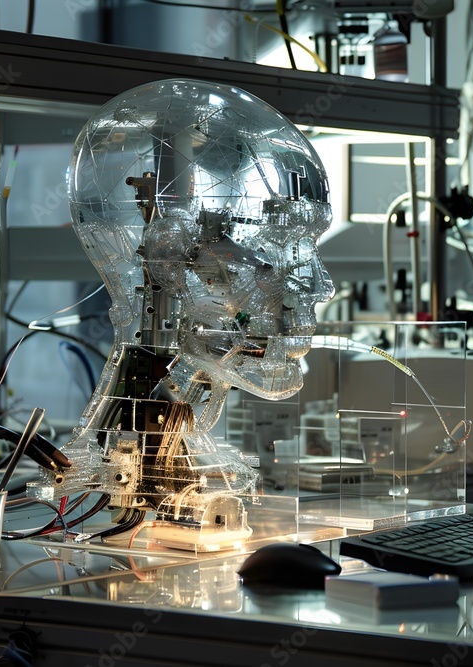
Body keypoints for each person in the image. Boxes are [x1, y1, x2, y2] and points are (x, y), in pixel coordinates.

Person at [34, 79, 334, 545]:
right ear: (172, 271)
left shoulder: (188, 410)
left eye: (308, 249)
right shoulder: (141, 396)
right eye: (279, 250)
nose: (320, 286)